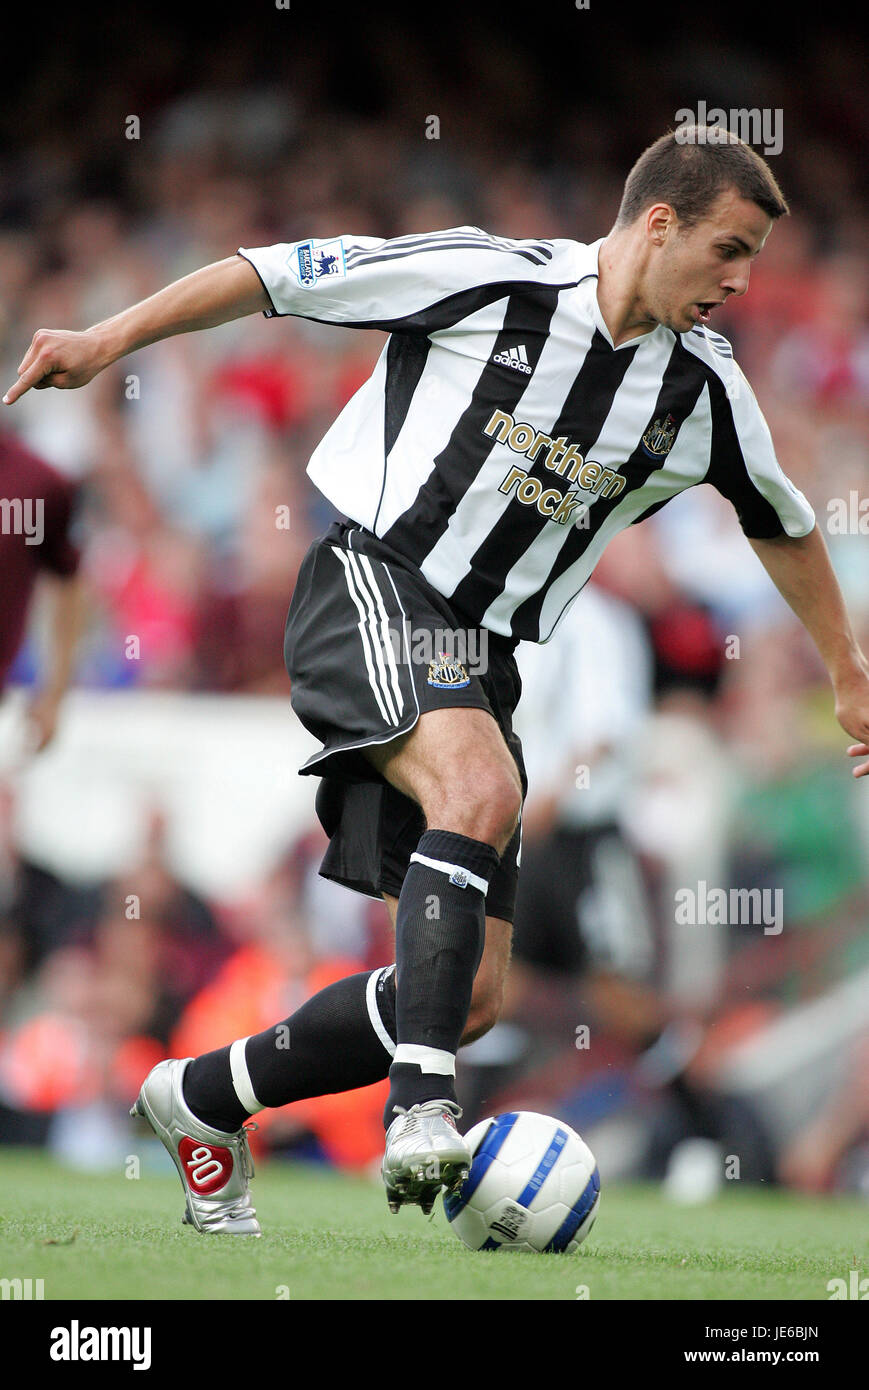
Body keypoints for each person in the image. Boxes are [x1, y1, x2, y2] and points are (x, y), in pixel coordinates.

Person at [5, 128, 869, 1236]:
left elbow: (785, 524)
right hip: (372, 578)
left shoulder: (701, 392)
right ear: (658, 224)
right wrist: (107, 335)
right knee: (483, 789)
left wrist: (846, 673)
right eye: (726, 249)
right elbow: (271, 275)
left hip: (486, 654)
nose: (741, 281)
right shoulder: (493, 277)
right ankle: (422, 1113)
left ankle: (201, 1097)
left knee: (464, 997)